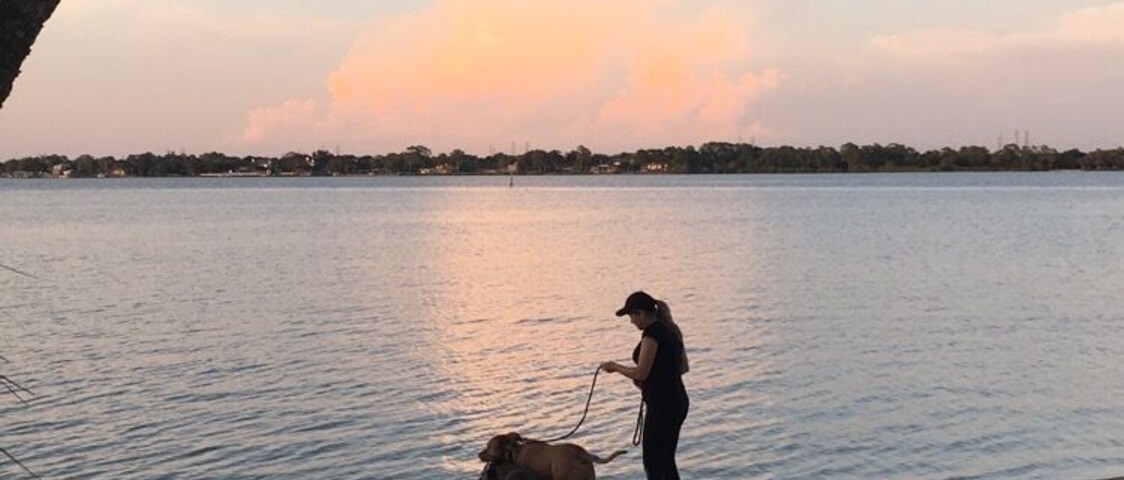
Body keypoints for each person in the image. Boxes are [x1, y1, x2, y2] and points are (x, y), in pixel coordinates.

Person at [600, 291, 689, 480]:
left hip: (662, 406)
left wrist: (615, 367)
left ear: (641, 313)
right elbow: (682, 367)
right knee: (666, 460)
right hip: (677, 400)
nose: (631, 321)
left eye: (631, 316)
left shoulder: (652, 333)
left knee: (653, 462)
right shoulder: (671, 328)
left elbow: (641, 372)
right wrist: (649, 383)